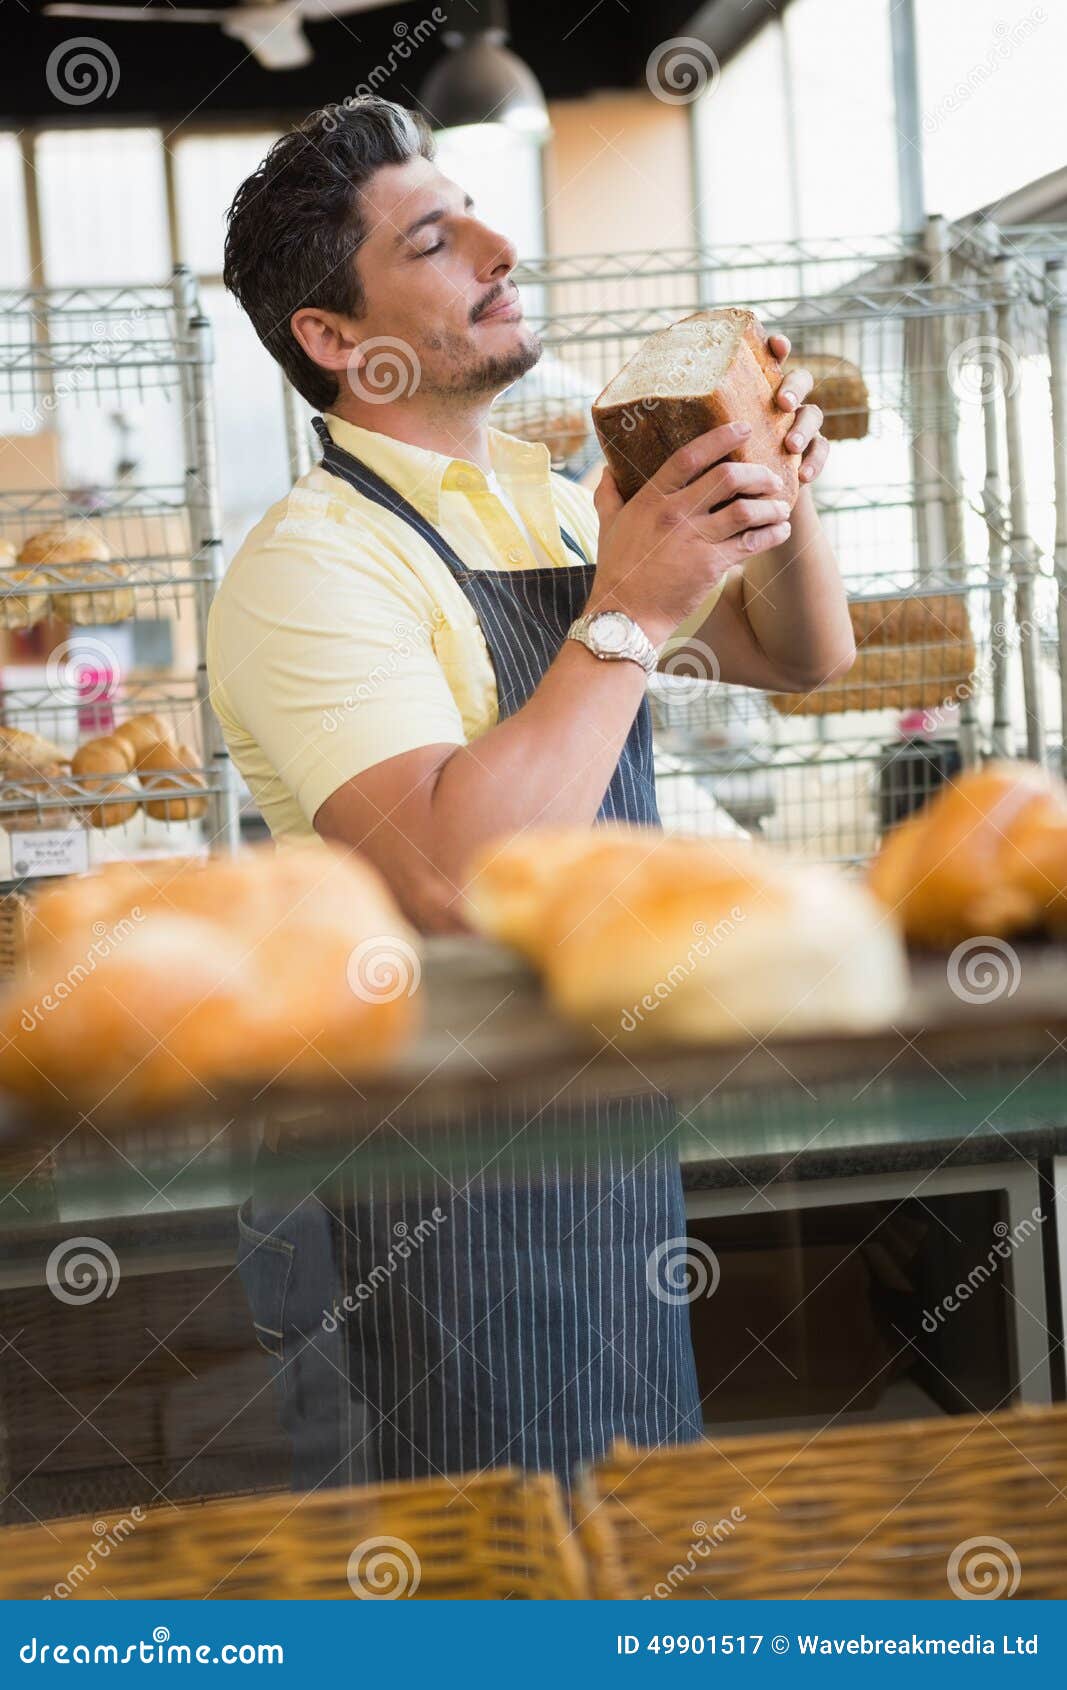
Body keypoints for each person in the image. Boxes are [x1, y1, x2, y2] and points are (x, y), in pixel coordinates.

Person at [208, 97, 854, 1488]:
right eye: (437, 239)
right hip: (422, 1184)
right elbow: (449, 878)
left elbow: (804, 655)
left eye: (478, 214)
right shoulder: (307, 568)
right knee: (473, 1589)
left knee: (619, 1543)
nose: (503, 246)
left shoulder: (554, 501)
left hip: (601, 1128)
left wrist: (775, 505)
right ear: (334, 338)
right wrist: (625, 610)